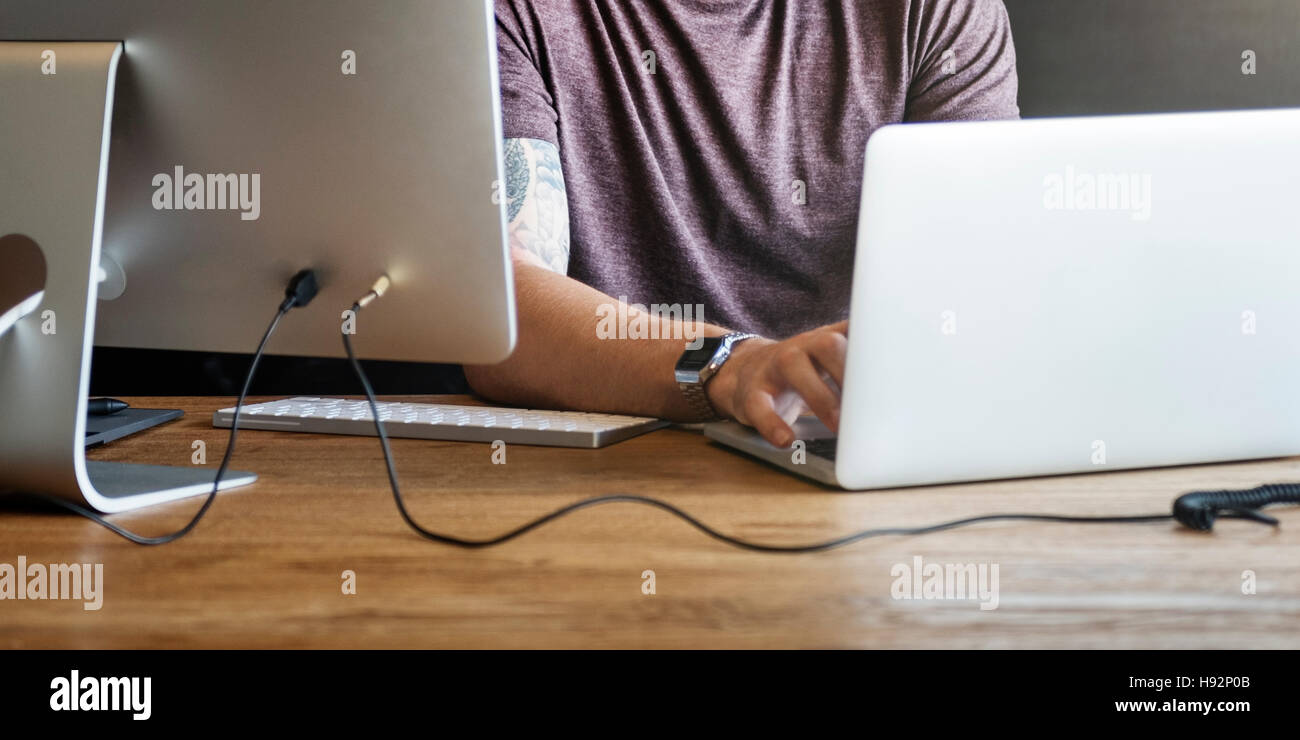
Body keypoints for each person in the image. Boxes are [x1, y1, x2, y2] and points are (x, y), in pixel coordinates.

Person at [466, 0, 1020, 447]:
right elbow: (499, 317)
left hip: (850, 452)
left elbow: (980, 287)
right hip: (602, 471)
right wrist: (732, 365)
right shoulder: (503, 13)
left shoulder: (933, 10)